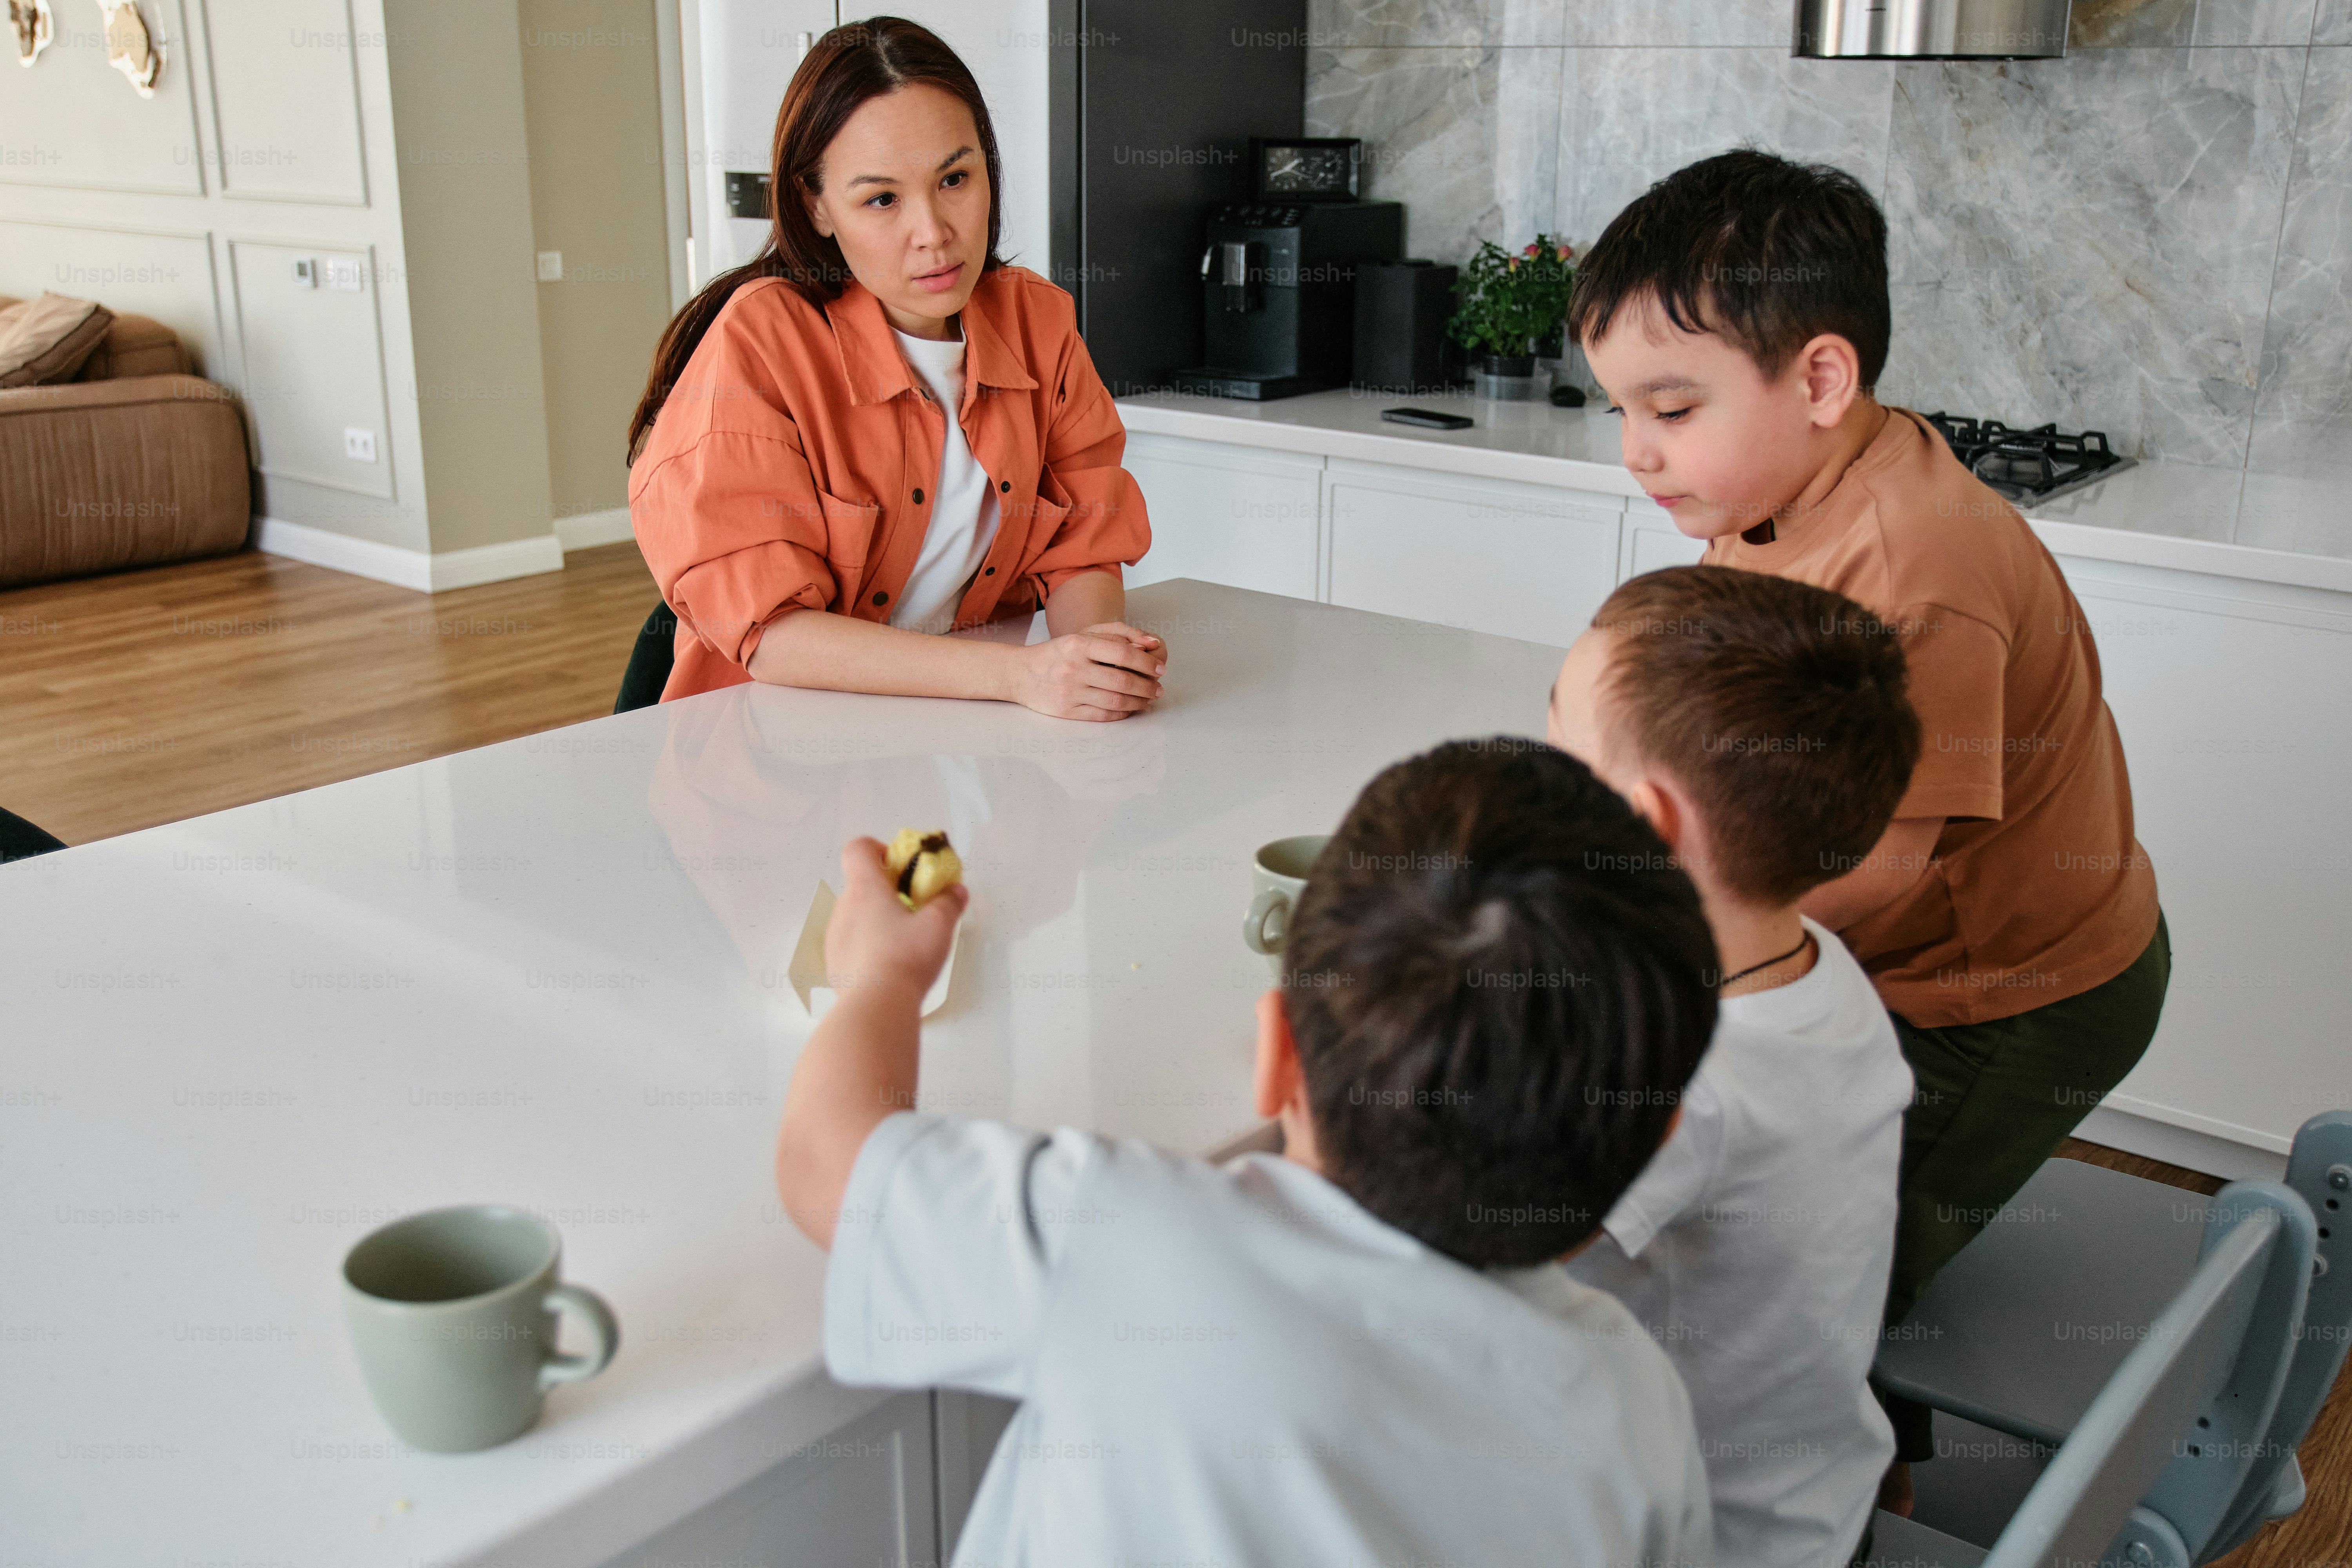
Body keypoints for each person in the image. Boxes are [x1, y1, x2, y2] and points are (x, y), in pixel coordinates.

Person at [1567, 149, 2172, 1504]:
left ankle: (1852, 1504)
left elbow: (1880, 861)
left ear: (1822, 381)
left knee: (1820, 1260)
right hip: (1896, 958)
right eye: (1621, 410)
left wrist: (1656, 955)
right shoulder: (1772, 493)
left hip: (2016, 998)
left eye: (1670, 406)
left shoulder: (1916, 570)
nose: (1638, 451)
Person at [775, 741, 1721, 1566]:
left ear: (1277, 1060)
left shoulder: (1131, 1242)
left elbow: (828, 1163)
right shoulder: (1641, 1405)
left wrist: (883, 975)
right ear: (1658, 1133)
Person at [628, 18, 1165, 719]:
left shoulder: (1040, 321)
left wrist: (1092, 664)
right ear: (817, 206)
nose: (935, 233)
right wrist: (1019, 677)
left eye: (955, 179)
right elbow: (775, 637)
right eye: (882, 199)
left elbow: (1084, 545)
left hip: (958, 732)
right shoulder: (761, 340)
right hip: (776, 750)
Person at [1548, 565, 1921, 1568]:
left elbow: (1460, 1266)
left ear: (1646, 823)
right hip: (1818, 1507)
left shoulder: (1686, 1091)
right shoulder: (1812, 963)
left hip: (1701, 1540)